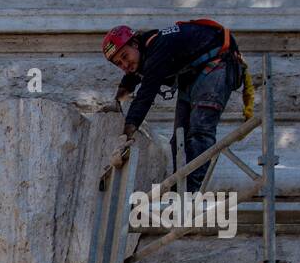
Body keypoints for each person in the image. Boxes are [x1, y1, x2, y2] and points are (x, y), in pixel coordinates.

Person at [102, 19, 250, 192]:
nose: (125, 65)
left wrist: (126, 134)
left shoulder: (158, 46)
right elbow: (131, 78)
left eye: (125, 56)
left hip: (218, 64)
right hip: (194, 75)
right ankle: (179, 189)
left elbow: (145, 95)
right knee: (179, 140)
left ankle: (190, 193)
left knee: (199, 132)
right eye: (119, 63)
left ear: (135, 43)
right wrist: (116, 101)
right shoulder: (146, 51)